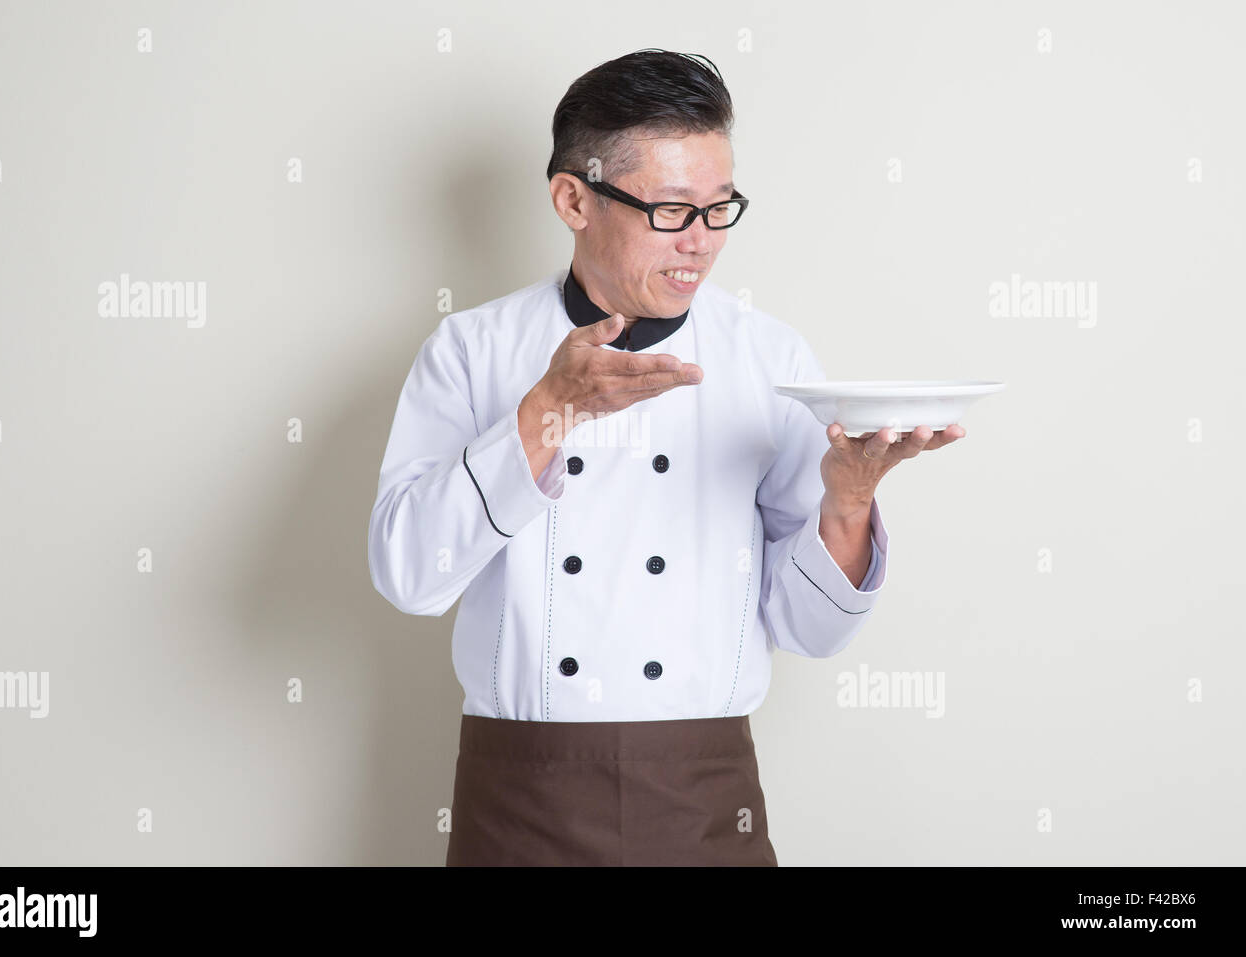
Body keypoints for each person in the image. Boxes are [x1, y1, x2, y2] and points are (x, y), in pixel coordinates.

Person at [368, 49, 965, 866]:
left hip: (704, 798)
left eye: (720, 208)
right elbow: (409, 575)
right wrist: (546, 413)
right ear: (573, 198)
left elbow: (810, 630)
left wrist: (848, 503)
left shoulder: (770, 359)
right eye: (673, 210)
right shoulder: (472, 351)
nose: (702, 243)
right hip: (521, 795)